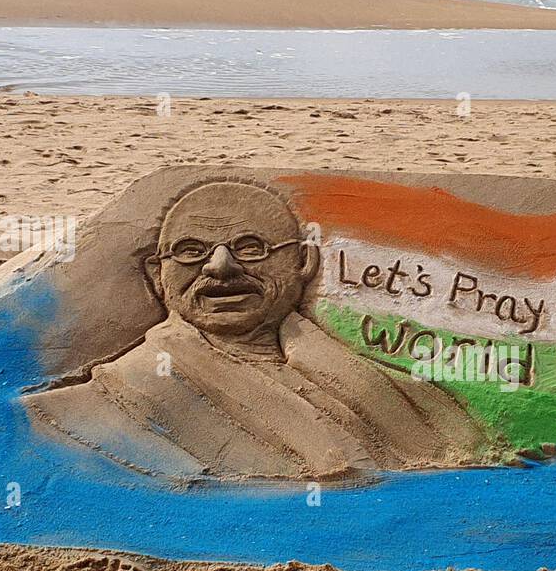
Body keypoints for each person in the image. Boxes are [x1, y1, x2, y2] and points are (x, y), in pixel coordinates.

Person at [24, 180, 486, 480]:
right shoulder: (89, 406)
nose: (221, 267)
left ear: (304, 261)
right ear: (156, 275)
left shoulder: (401, 394)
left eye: (251, 247)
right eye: (189, 251)